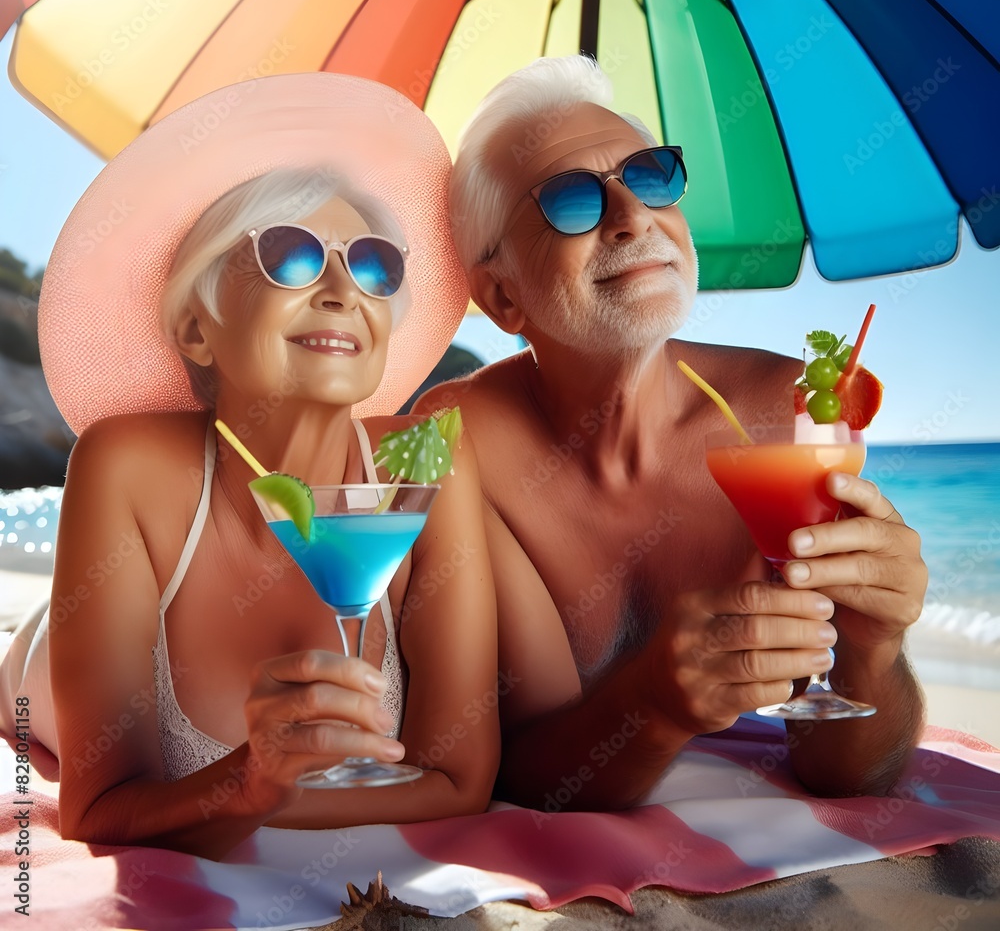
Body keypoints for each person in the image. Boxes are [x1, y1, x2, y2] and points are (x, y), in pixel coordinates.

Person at [0, 74, 497, 860]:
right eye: (291, 255)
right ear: (198, 330)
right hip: (36, 671)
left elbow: (461, 783)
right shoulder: (125, 462)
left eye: (371, 265)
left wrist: (245, 798)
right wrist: (255, 783)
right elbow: (98, 810)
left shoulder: (426, 467)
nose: (342, 290)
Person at [416, 56, 927, 810]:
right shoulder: (453, 440)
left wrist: (875, 647)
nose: (633, 216)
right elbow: (508, 772)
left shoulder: (793, 410)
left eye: (650, 174)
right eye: (571, 200)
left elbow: (850, 774)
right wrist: (652, 704)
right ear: (501, 295)